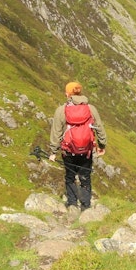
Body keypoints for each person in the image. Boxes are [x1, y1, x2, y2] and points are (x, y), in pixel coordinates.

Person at [48, 81, 107, 213]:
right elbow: (99, 128)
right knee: (85, 176)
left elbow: (56, 132)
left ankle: (72, 205)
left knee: (70, 176)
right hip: (86, 150)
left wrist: (53, 151)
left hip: (68, 151)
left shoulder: (61, 110)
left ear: (67, 94)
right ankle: (86, 207)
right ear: (80, 92)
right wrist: (101, 145)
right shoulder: (91, 109)